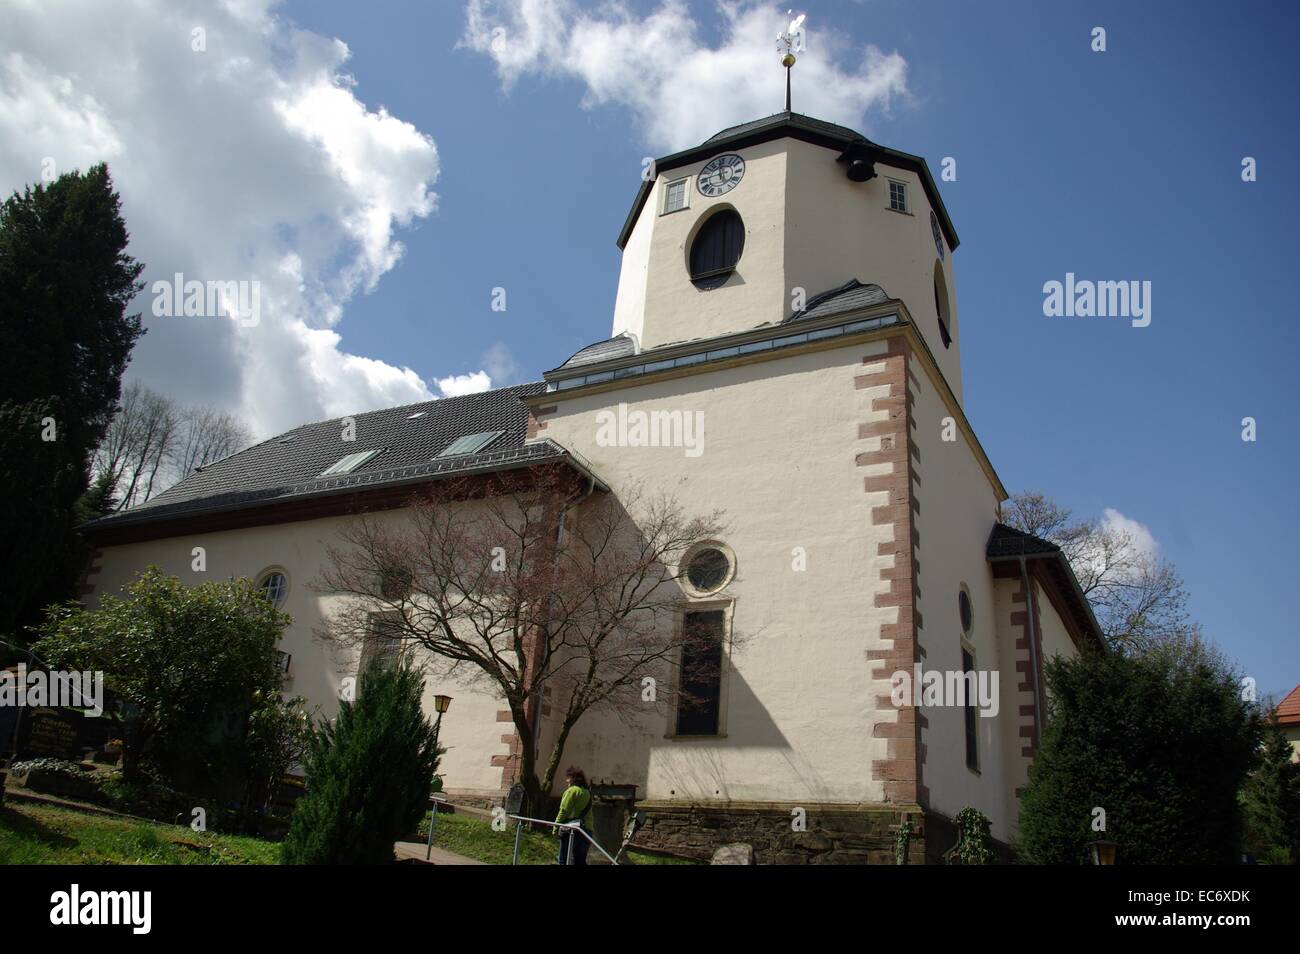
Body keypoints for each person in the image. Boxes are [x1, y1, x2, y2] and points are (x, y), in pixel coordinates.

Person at [555, 766, 593, 865]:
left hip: (572, 830)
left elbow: (563, 811)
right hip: (587, 831)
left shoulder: (572, 791)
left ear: (573, 778)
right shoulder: (587, 792)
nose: (566, 780)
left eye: (568, 777)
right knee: (580, 862)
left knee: (563, 860)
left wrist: (556, 827)